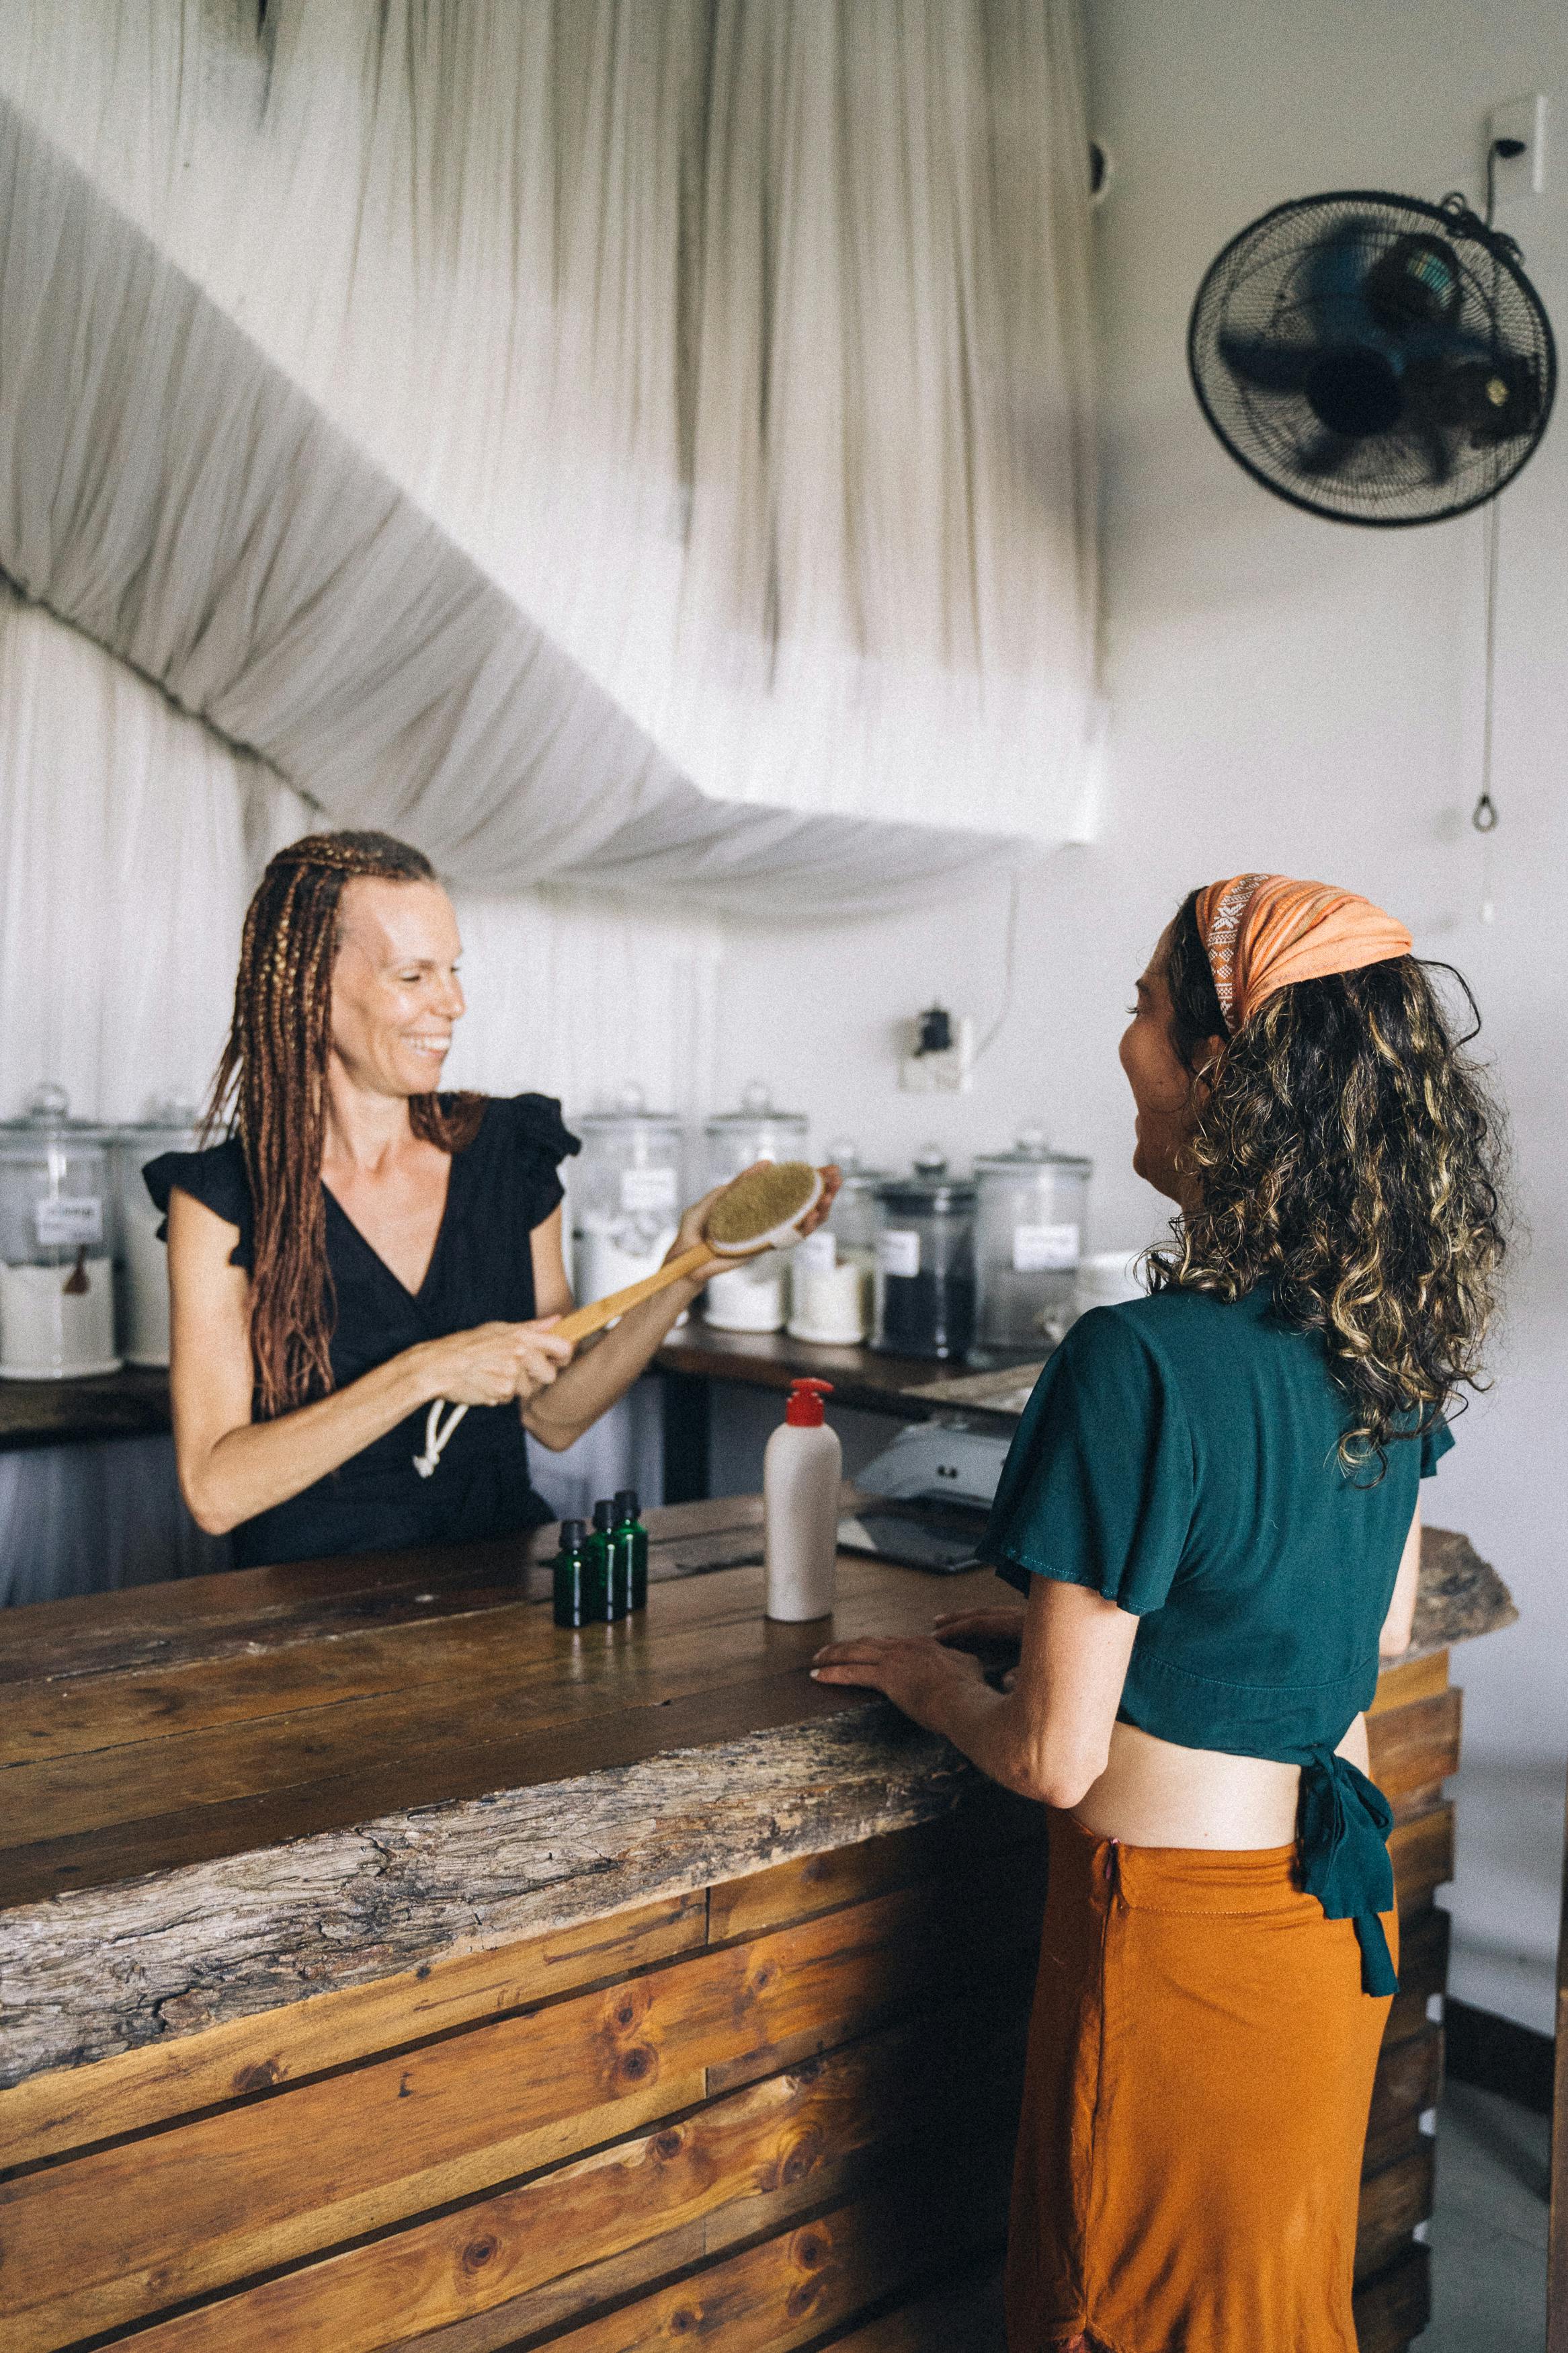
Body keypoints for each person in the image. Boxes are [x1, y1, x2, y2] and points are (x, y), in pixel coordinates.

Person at [811, 874, 1505, 2353]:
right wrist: (1091, 1627)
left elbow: (1051, 1759)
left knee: (1113, 2319)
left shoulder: (1132, 1359)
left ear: (1228, 1071)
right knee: (1262, 2313)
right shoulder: (1379, 1334)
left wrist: (930, 1684)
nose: (1122, 1042)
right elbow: (1357, 1635)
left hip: (1176, 1942)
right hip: (1322, 1919)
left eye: (1143, 1008)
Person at [149, 830, 833, 1568]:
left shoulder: (509, 1152)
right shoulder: (222, 1199)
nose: (454, 1002)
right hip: (303, 1609)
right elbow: (215, 1491)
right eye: (414, 976)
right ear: (311, 986)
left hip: (497, 1584)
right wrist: (424, 1371)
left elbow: (553, 1414)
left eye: (452, 969)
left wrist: (685, 1269)